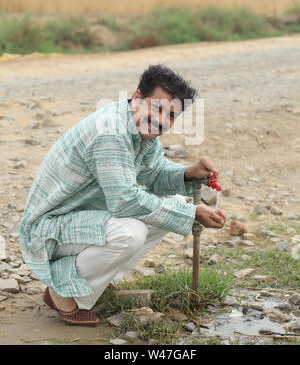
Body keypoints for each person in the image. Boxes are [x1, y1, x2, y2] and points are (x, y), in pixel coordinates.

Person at [18, 64, 226, 327]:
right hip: (48, 229)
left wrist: (188, 172)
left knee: (172, 204)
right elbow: (124, 201)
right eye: (157, 107)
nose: (162, 120)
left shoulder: (139, 126)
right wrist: (192, 212)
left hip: (80, 220)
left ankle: (93, 284)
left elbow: (153, 174)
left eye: (171, 115)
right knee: (131, 232)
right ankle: (61, 290)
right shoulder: (111, 132)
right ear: (137, 98)